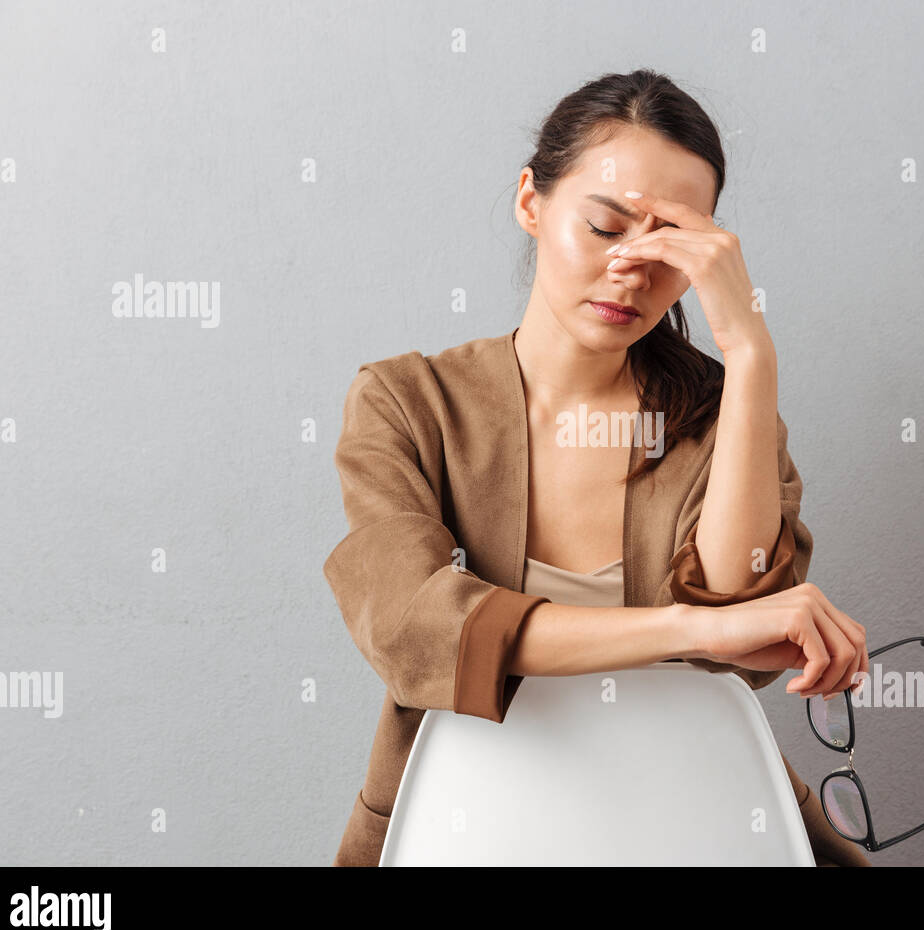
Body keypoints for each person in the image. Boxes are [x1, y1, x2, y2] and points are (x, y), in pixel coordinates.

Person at [324, 68, 871, 866]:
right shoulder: (408, 401)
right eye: (607, 227)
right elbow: (413, 626)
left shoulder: (719, 410)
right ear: (530, 202)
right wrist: (688, 628)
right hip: (464, 821)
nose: (632, 271)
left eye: (670, 246)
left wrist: (750, 353)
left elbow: (741, 603)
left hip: (697, 820)